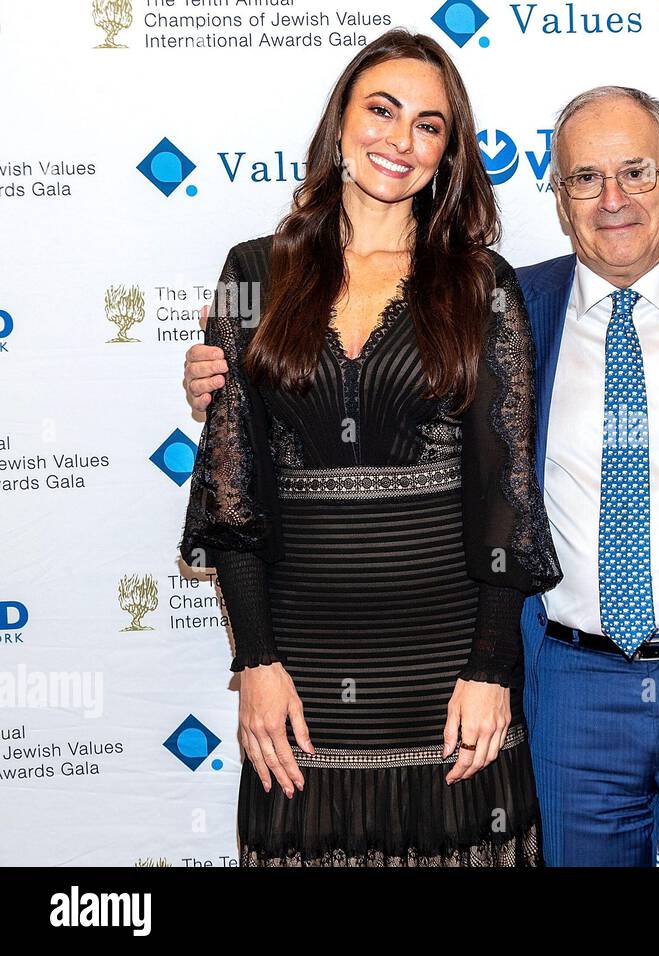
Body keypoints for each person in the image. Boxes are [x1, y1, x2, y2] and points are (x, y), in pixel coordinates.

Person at [186, 86, 659, 867]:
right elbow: (293, 413)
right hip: (570, 688)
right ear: (558, 197)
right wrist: (224, 375)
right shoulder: (510, 301)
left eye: (636, 173)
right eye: (584, 179)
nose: (612, 199)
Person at [179, 28, 560, 867]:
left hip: (450, 675)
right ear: (340, 124)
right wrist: (256, 663)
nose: (400, 138)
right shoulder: (252, 270)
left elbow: (508, 491)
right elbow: (234, 495)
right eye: (381, 110)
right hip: (301, 677)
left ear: (447, 153)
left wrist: (493, 665)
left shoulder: (479, 281)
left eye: (429, 125)